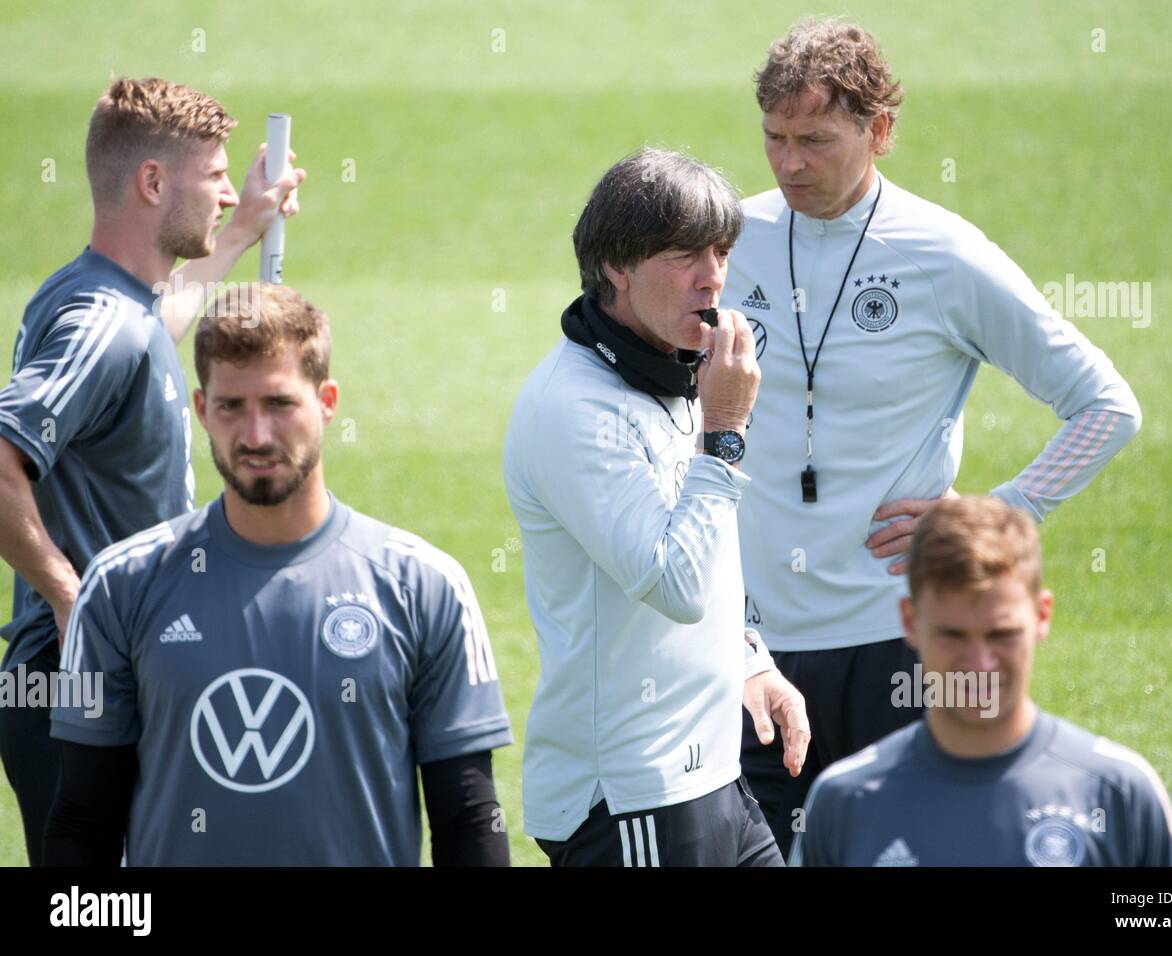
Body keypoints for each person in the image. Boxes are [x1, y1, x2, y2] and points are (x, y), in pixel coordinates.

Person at [721, 18, 1143, 857]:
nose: (790, 163)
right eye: (774, 138)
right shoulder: (731, 239)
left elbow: (1105, 404)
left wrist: (999, 513)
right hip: (751, 644)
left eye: (815, 139)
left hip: (901, 639)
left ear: (878, 131)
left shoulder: (946, 256)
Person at [45, 284, 513, 866]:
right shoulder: (119, 586)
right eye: (231, 407)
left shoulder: (425, 587)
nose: (256, 436)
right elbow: (83, 820)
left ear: (327, 401)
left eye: (279, 403)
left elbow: (468, 818)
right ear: (199, 409)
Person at [0, 76, 306, 865]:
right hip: (78, 681)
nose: (219, 191)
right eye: (212, 177)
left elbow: (153, 327)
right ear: (151, 182)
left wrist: (241, 228)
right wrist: (73, 596)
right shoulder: (101, 321)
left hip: (97, 678)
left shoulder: (107, 302)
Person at [503, 147, 810, 867]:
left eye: (721, 251)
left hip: (710, 774)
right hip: (633, 798)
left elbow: (703, 556)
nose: (713, 277)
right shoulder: (574, 409)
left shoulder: (667, 373)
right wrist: (725, 436)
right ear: (616, 267)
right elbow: (672, 583)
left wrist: (749, 660)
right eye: (683, 256)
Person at [792, 496, 1172, 867]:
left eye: (1001, 635)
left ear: (1042, 616)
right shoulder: (844, 801)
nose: (979, 664)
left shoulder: (1118, 793)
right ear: (910, 622)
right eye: (953, 635)